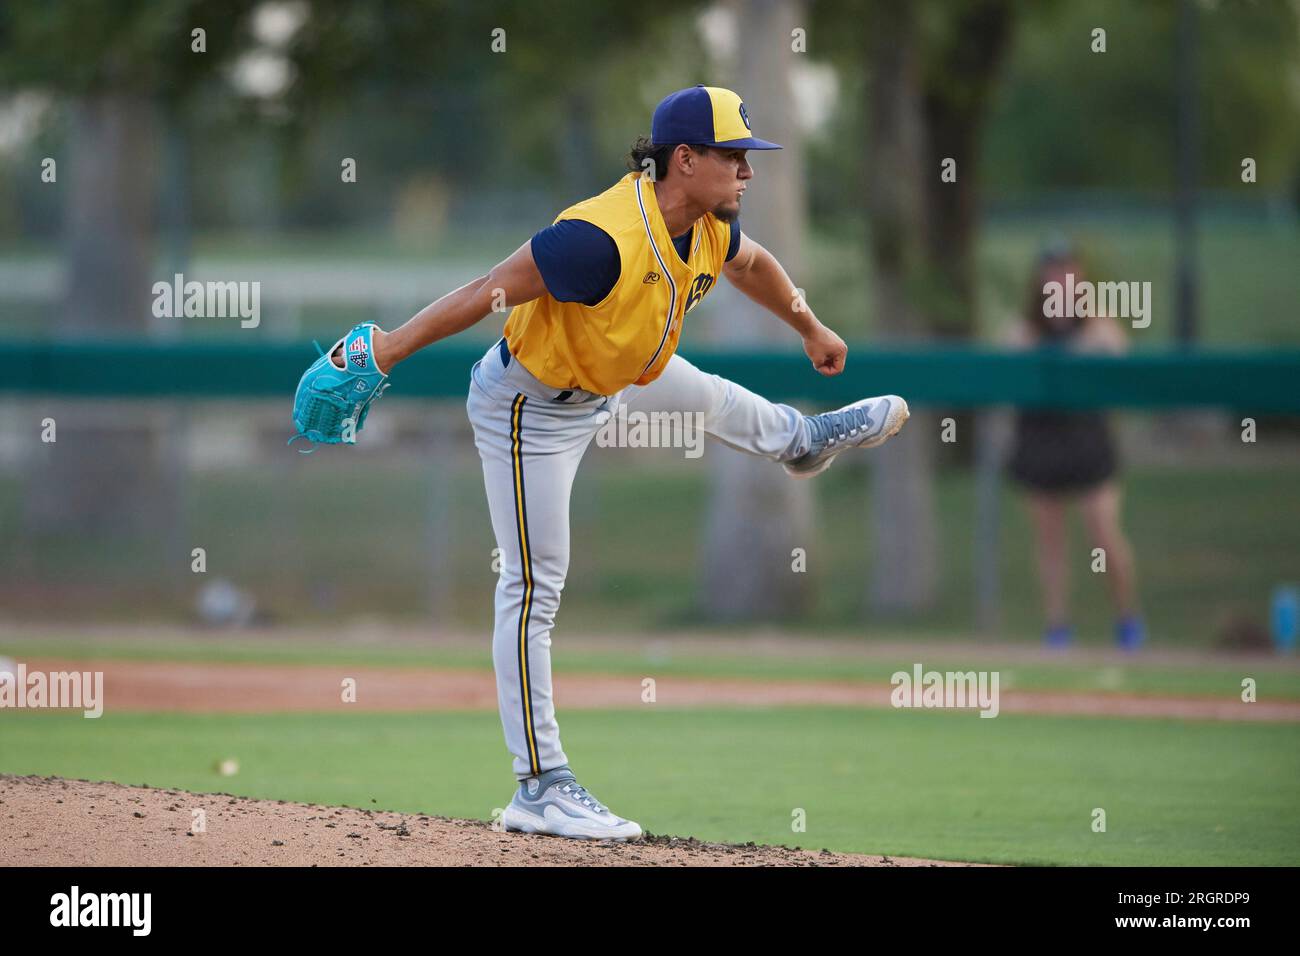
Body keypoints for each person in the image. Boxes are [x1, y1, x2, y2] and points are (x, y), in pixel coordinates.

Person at [324, 86, 909, 839]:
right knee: (534, 585)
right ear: (685, 160)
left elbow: (753, 264)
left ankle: (798, 443)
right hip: (526, 407)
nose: (747, 173)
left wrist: (811, 325)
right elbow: (487, 290)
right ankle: (539, 787)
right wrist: (390, 349)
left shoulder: (707, 226)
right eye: (734, 157)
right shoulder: (596, 240)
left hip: (617, 375)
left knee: (712, 396)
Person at [1004, 242, 1144, 651]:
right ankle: (1058, 629)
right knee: (1049, 538)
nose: (1058, 278)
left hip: (1088, 438)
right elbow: (1012, 355)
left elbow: (1118, 353)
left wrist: (1084, 342)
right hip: (1042, 438)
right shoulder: (1025, 326)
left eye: (1066, 269)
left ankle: (1127, 620)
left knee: (1103, 531)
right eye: (1051, 270)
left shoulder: (1096, 323)